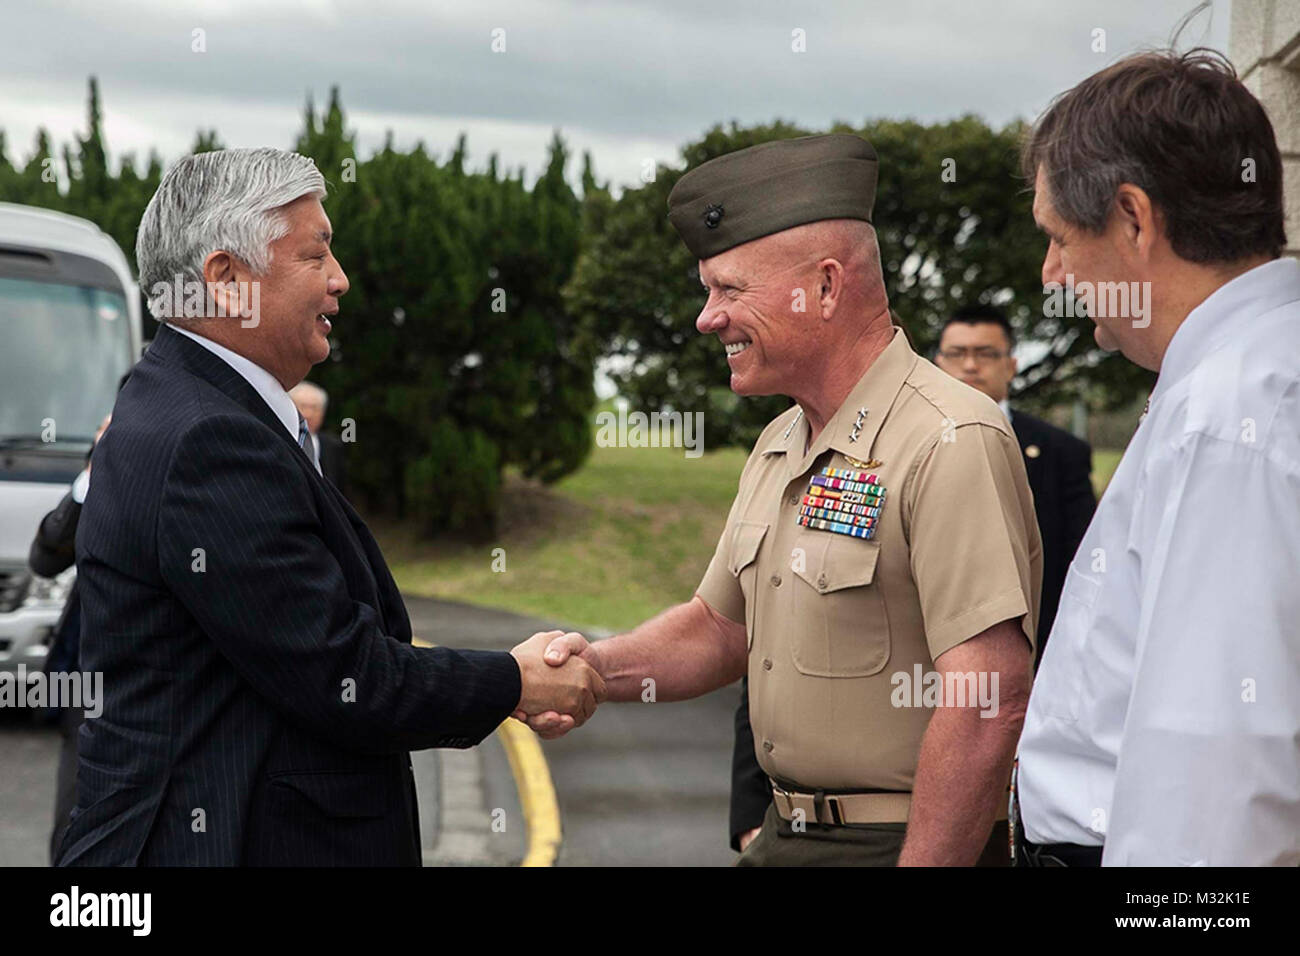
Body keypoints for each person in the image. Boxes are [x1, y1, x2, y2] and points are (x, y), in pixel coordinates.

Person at [55, 148, 604, 867]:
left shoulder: (173, 398)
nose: (341, 280)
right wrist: (514, 679)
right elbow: (343, 677)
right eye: (316, 256)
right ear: (226, 281)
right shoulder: (208, 438)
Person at [517, 134, 1043, 866]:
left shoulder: (949, 438)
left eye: (730, 290)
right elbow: (718, 629)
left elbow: (989, 701)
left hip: (898, 845)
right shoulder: (779, 443)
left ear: (826, 287)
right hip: (785, 836)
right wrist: (591, 672)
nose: (707, 318)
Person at [1015, 49, 1299, 866]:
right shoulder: (1240, 379)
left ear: (1134, 220)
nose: (1052, 274)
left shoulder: (1232, 415)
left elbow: (1217, 778)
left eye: (1059, 239)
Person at [728, 303, 1095, 852]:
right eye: (957, 353)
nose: (971, 366)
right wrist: (749, 805)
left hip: (991, 754)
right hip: (798, 823)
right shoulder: (796, 441)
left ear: (1012, 365)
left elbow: (1073, 597)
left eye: (986, 354)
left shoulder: (1050, 451)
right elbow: (768, 644)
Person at [29, 412, 110, 863]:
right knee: (73, 820)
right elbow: (45, 558)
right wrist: (91, 475)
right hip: (85, 677)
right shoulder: (99, 468)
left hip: (159, 680)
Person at [290, 380, 347, 494]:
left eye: (314, 408)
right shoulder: (280, 439)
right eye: (303, 406)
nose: (308, 414)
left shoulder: (333, 445)